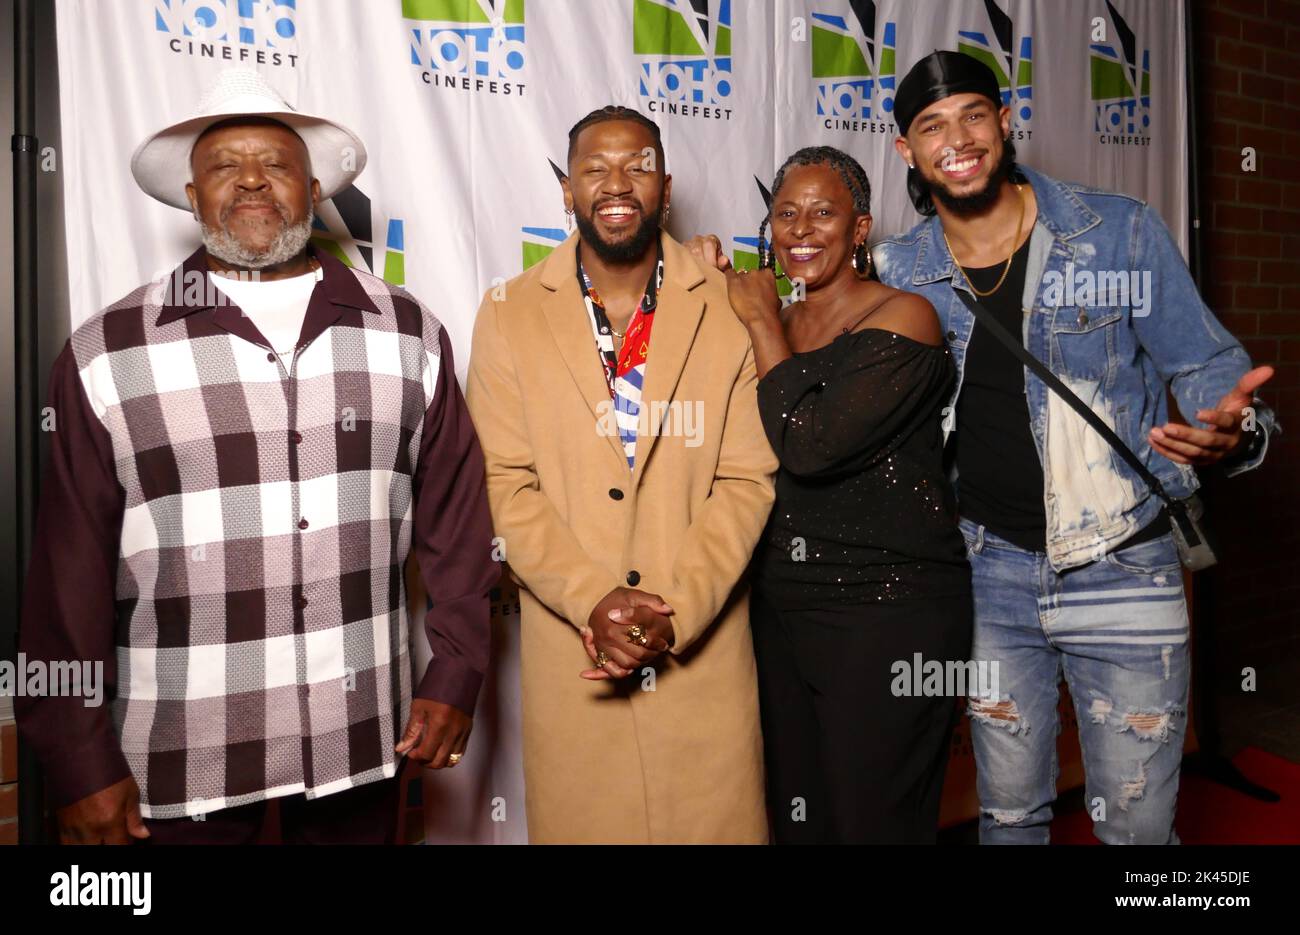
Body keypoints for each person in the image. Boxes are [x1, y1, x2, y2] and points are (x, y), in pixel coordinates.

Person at [17, 67, 497, 844]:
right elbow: (66, 575)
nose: (250, 181)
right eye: (223, 167)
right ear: (190, 193)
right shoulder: (108, 349)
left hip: (361, 738)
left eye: (274, 164)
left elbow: (459, 528)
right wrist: (77, 757)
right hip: (180, 756)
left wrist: (457, 669)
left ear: (312, 188)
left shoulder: (408, 332)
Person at [872, 51, 1277, 844]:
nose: (956, 139)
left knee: (1137, 825)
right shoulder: (901, 270)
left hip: (1123, 562)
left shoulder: (1117, 231)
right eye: (931, 126)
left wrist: (1231, 429)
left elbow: (1208, 368)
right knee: (1011, 816)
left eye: (973, 115)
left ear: (1005, 119)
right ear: (906, 151)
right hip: (986, 575)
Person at [465, 106, 777, 843]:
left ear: (665, 189)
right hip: (576, 654)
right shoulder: (508, 313)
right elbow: (503, 480)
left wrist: (675, 609)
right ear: (566, 190)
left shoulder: (728, 304)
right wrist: (592, 599)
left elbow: (747, 479)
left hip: (701, 662)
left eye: (637, 165)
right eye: (594, 168)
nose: (617, 183)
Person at [691, 147, 972, 843]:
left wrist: (758, 318)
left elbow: (810, 444)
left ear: (860, 229)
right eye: (785, 212)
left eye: (824, 211)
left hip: (888, 612)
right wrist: (699, 279)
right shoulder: (777, 329)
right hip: (781, 607)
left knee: (873, 824)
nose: (801, 228)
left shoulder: (907, 317)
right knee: (799, 819)